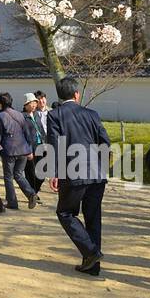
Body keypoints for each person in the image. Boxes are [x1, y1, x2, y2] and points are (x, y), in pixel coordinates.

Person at [46, 76, 110, 276]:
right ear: (77, 94)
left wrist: (54, 172)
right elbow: (105, 142)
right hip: (96, 173)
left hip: (72, 172)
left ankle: (91, 252)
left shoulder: (54, 115)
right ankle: (93, 265)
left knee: (65, 213)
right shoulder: (92, 113)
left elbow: (54, 146)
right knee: (93, 218)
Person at [0, 92, 39, 209]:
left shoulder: (0, 116)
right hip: (23, 149)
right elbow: (27, 133)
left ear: (0, 104)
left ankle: (12, 202)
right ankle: (31, 193)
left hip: (9, 150)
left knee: (8, 177)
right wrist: (29, 150)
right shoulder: (20, 115)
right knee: (19, 174)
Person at [23, 93, 48, 197]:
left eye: (35, 102)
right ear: (26, 105)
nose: (33, 105)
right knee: (31, 173)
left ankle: (34, 192)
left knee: (42, 173)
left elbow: (41, 130)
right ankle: (32, 194)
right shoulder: (22, 116)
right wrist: (27, 150)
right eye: (31, 103)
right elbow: (22, 135)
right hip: (30, 148)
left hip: (41, 146)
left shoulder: (37, 114)